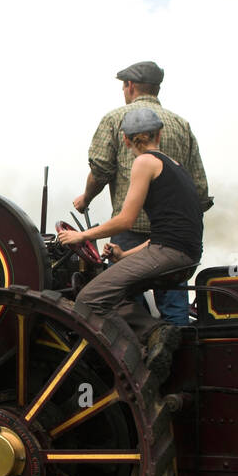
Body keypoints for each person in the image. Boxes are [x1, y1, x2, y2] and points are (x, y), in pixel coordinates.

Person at [73, 60, 210, 324]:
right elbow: (200, 189)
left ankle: (136, 353)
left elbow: (100, 169)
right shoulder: (182, 125)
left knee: (112, 298)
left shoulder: (115, 120)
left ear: (130, 86)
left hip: (131, 228)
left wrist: (86, 200)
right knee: (173, 305)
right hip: (172, 238)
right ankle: (177, 356)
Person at [58, 107, 203, 347]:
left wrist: (81, 236)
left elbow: (126, 220)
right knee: (113, 294)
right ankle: (156, 336)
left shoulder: (145, 162)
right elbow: (164, 233)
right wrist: (124, 255)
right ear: (159, 134)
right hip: (185, 256)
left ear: (125, 139)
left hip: (169, 254)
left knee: (88, 299)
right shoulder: (176, 166)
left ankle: (139, 356)